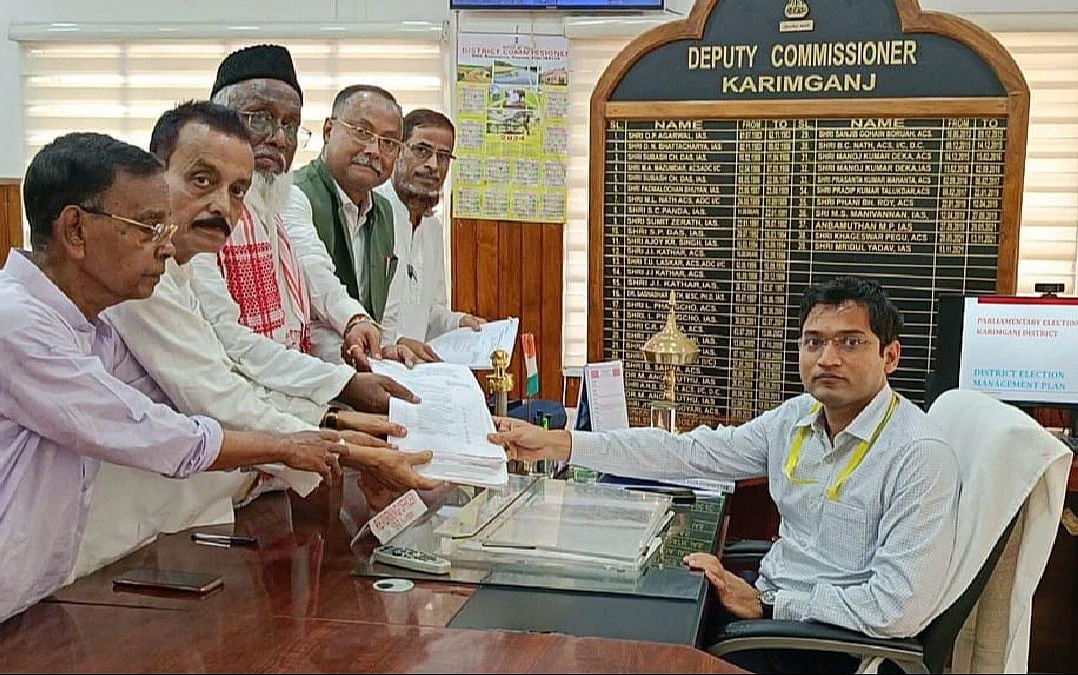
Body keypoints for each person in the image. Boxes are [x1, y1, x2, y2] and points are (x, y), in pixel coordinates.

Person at [0, 132, 376, 672]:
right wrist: (290, 447)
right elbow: (158, 435)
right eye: (148, 228)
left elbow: (198, 393)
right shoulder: (9, 321)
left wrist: (330, 432)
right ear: (75, 230)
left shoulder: (89, 326)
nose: (166, 246)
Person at [488, 276, 960, 674]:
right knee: (604, 629)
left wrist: (770, 605)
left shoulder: (917, 455)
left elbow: (896, 609)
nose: (827, 358)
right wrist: (562, 443)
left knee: (639, 656)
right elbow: (688, 453)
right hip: (769, 610)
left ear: (890, 356)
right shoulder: (797, 418)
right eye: (814, 341)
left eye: (850, 342)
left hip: (825, 645)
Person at [76, 102, 439, 578]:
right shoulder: (136, 278)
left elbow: (235, 367)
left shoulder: (197, 255)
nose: (222, 205)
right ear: (154, 176)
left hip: (196, 517)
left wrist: (339, 419)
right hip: (128, 540)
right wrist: (347, 442)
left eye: (237, 190)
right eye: (201, 181)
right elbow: (219, 393)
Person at [201, 45, 412, 369]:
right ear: (216, 120)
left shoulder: (279, 199)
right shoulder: (199, 213)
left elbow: (298, 325)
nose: (280, 138)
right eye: (260, 118)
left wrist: (364, 341)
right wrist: (341, 383)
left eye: (290, 125)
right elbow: (230, 342)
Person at [281, 83, 412, 368]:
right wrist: (355, 320)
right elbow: (314, 273)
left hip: (361, 369)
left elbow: (386, 312)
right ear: (328, 131)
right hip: (305, 372)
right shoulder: (292, 194)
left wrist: (384, 349)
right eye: (362, 132)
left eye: (389, 142)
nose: (374, 150)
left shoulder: (386, 211)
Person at [376, 109, 486, 364]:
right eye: (422, 150)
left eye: (443, 156)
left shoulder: (433, 229)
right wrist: (394, 342)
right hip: (372, 367)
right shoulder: (373, 212)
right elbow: (356, 310)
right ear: (398, 151)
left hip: (415, 370)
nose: (433, 166)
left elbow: (429, 314)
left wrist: (459, 322)